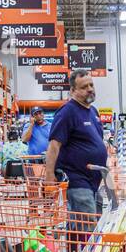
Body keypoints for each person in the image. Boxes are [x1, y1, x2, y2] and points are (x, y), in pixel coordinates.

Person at [43, 72, 108, 220]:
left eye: (91, 85)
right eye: (84, 87)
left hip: (95, 180)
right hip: (77, 179)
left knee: (83, 226)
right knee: (87, 224)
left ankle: (73, 244)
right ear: (73, 91)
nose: (90, 89)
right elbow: (54, 145)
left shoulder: (93, 111)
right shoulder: (67, 112)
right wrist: (49, 174)